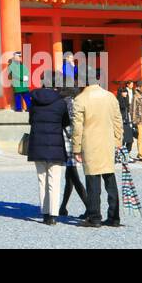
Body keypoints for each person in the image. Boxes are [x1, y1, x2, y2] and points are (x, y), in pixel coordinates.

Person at [71, 81, 123, 228]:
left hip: (90, 143)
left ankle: (95, 217)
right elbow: (117, 120)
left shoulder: (80, 99)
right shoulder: (110, 96)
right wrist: (118, 140)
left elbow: (77, 127)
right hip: (107, 142)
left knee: (93, 181)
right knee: (110, 179)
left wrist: (76, 148)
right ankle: (114, 217)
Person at [26, 81, 70, 225]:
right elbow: (65, 123)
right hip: (55, 145)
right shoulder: (61, 103)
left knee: (42, 180)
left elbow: (31, 120)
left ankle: (44, 212)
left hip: (38, 144)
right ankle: (53, 215)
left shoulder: (34, 101)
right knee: (54, 181)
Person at [58, 88, 88, 219]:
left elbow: (70, 122)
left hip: (69, 140)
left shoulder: (66, 101)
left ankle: (89, 207)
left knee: (73, 176)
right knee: (69, 177)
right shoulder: (73, 100)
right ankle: (63, 207)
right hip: (73, 139)